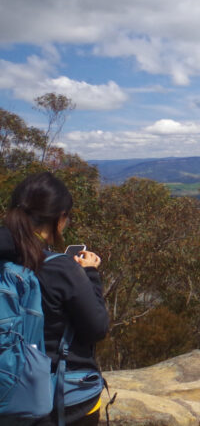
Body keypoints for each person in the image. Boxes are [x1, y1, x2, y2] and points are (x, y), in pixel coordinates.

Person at [0, 172, 109, 425]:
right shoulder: (61, 269)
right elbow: (97, 328)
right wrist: (90, 274)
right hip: (61, 400)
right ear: (60, 219)